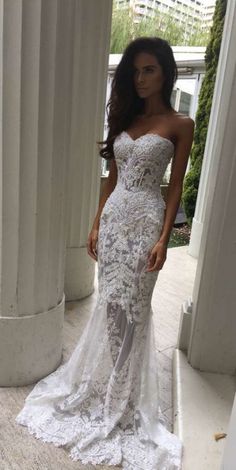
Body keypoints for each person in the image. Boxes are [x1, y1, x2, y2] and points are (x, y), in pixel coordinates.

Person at [15, 37, 194, 469]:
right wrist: (96, 224)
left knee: (135, 308)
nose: (140, 78)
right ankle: (113, 382)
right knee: (112, 308)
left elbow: (175, 187)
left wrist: (164, 238)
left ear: (166, 72)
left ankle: (125, 397)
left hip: (147, 221)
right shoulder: (126, 119)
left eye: (148, 69)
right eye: (135, 71)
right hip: (114, 222)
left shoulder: (180, 124)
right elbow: (110, 180)